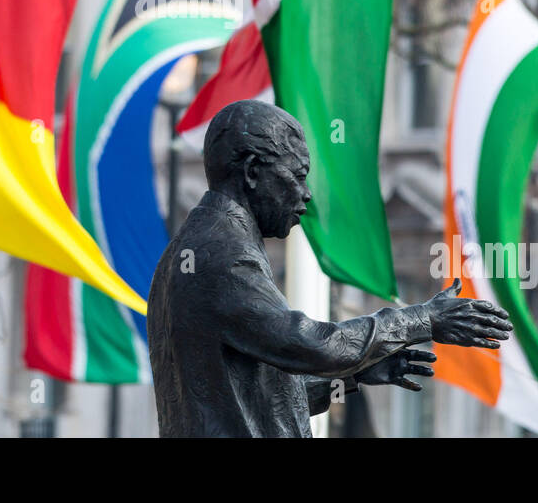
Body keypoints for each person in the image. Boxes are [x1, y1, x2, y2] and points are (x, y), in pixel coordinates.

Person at [147, 99, 514, 437]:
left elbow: (261, 404)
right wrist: (423, 319)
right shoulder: (223, 254)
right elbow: (310, 344)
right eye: (297, 175)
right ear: (253, 172)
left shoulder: (194, 247)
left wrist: (356, 373)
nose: (306, 193)